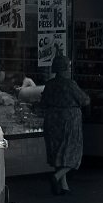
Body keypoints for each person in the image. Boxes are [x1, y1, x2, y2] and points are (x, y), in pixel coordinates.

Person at [41, 53, 89, 195]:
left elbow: (43, 102)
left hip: (52, 120)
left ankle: (64, 185)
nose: (70, 69)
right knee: (72, 152)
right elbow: (84, 100)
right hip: (69, 121)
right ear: (65, 68)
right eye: (68, 67)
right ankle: (56, 177)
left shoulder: (50, 84)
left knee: (58, 152)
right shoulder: (70, 84)